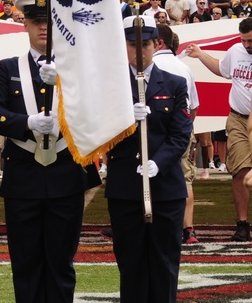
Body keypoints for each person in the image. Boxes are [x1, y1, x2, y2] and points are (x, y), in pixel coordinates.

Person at [0, 0, 101, 302]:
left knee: (61, 263)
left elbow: (94, 110)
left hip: (66, 174)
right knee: (26, 263)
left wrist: (64, 81)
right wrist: (26, 122)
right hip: (24, 177)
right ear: (25, 24)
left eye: (48, 22)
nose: (43, 28)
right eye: (36, 22)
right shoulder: (10, 68)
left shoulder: (76, 68)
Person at [107, 15, 191, 301]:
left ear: (157, 45)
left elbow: (180, 133)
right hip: (126, 186)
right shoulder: (112, 85)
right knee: (130, 263)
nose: (139, 50)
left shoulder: (175, 83)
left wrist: (159, 162)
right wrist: (124, 119)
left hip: (165, 188)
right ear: (124, 46)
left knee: (164, 264)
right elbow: (99, 133)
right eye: (133, 44)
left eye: (145, 44)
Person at [185, 17, 252, 241]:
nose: (247, 45)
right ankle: (242, 224)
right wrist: (200, 54)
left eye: (250, 40)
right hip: (238, 118)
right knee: (240, 171)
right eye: (244, 40)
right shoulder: (235, 51)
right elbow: (222, 70)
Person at [152, 24, 201, 244]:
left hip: (151, 131)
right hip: (180, 132)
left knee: (146, 176)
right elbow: (194, 107)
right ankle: (188, 229)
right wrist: (183, 129)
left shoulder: (149, 65)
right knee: (184, 178)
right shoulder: (183, 68)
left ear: (158, 42)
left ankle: (146, 223)